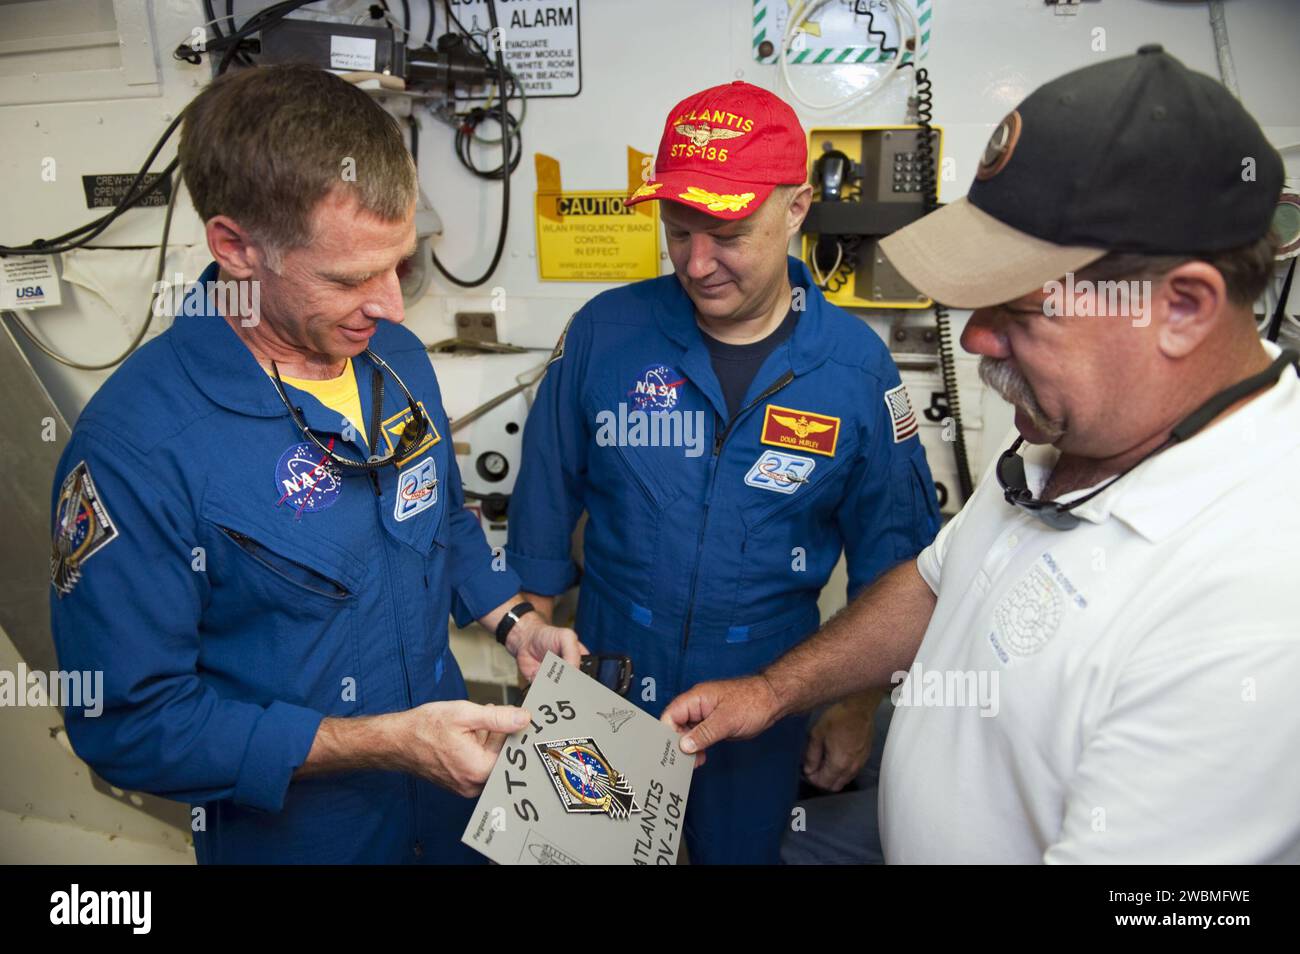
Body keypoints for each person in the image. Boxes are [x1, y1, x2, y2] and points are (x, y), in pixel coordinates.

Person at [663, 46, 1300, 863]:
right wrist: (771, 692)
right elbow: (936, 583)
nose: (974, 337)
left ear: (1180, 308)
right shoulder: (1079, 426)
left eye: (1021, 308)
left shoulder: (1257, 608)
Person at [48, 64, 583, 864]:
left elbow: (436, 512)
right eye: (350, 277)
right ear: (236, 248)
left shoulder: (393, 355)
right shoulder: (137, 450)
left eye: (398, 263)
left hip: (450, 801)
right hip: (299, 833)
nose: (393, 304)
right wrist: (383, 743)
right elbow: (131, 726)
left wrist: (513, 621)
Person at [506, 81, 940, 864]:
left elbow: (899, 564)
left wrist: (853, 704)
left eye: (727, 232)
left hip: (764, 696)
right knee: (570, 856)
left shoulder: (855, 371)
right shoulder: (607, 333)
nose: (697, 263)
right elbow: (541, 508)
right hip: (603, 679)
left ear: (798, 207)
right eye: (679, 232)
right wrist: (529, 636)